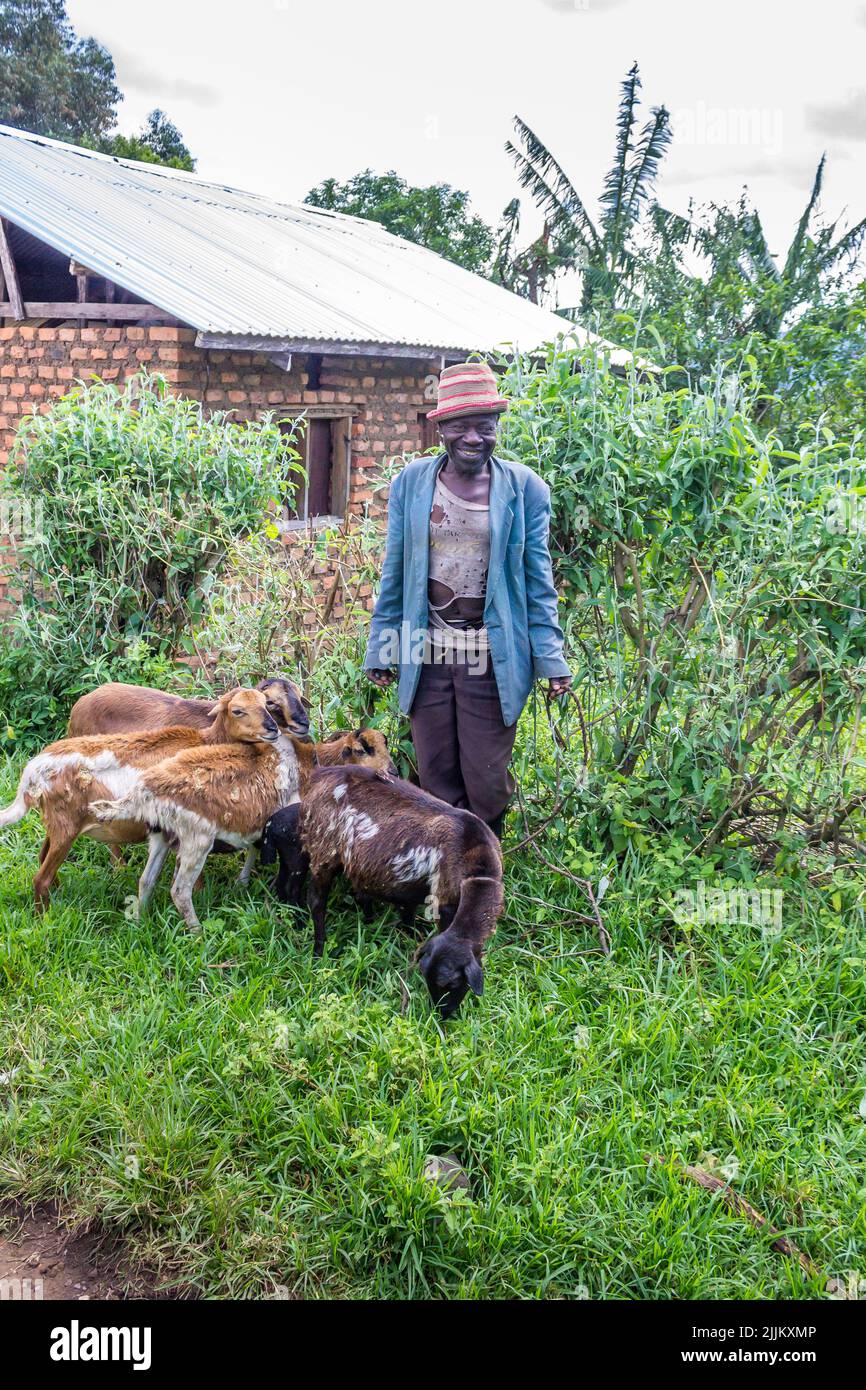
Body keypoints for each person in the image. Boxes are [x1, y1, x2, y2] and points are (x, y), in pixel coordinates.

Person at [364, 360, 571, 838]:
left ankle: (483, 862)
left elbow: (538, 584)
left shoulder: (524, 490)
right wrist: (383, 646)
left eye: (485, 426)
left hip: (490, 657)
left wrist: (551, 658)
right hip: (425, 650)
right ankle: (445, 870)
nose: (473, 438)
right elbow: (395, 572)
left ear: (498, 428)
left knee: (487, 781)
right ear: (440, 428)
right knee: (435, 773)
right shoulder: (412, 484)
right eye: (460, 426)